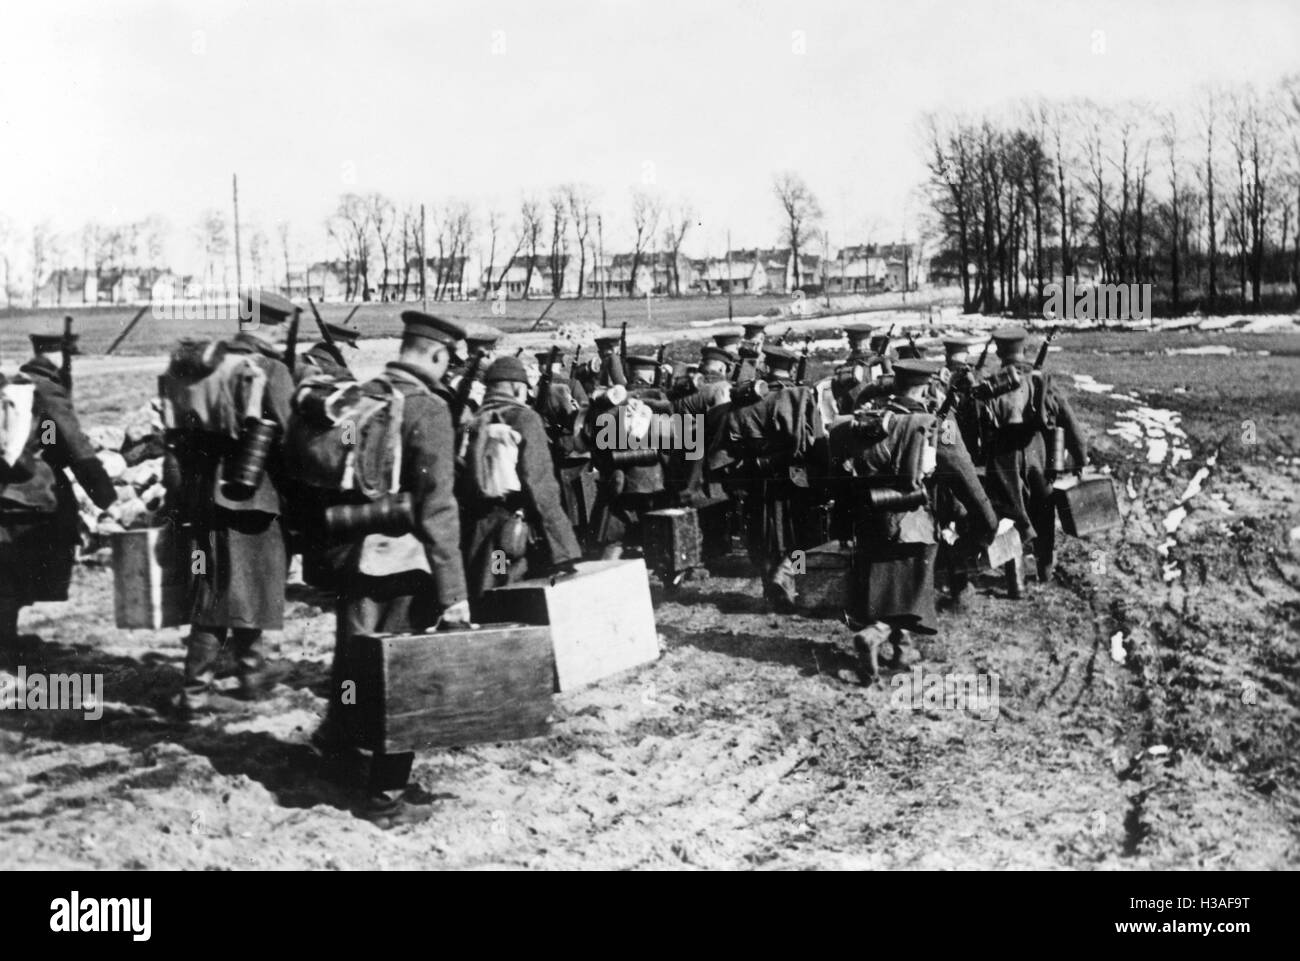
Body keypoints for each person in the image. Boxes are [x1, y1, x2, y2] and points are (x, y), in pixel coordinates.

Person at [315, 309, 471, 825]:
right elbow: (438, 507)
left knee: (353, 664)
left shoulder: (363, 394)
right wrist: (453, 594)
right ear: (439, 355)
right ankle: (385, 800)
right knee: (403, 682)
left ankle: (337, 758)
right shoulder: (428, 408)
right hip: (401, 563)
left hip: (349, 553)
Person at [163, 290, 296, 714]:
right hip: (251, 497)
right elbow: (291, 435)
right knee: (222, 591)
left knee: (235, 586)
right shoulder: (267, 369)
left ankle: (251, 672)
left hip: (204, 493)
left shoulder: (211, 366)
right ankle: (195, 690)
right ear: (276, 326)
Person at [827, 359, 998, 680]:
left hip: (869, 520)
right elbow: (965, 477)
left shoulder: (866, 420)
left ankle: (902, 651)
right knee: (911, 592)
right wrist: (987, 521)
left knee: (893, 587)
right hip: (915, 524)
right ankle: (875, 634)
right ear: (925, 386)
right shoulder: (934, 423)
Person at [0, 333, 117, 647]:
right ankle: (5, 644)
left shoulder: (18, 385)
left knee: (7, 570)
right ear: (61, 356)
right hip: (29, 496)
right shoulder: (47, 389)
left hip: (8, 492)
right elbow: (78, 450)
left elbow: (49, 438)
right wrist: (107, 498)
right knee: (20, 567)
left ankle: (7, 637)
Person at [460, 356, 581, 605]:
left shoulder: (472, 423)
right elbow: (540, 485)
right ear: (517, 387)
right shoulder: (524, 419)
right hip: (512, 533)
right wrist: (564, 549)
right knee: (512, 598)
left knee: (487, 593)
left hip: (477, 533)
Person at [978, 326, 1087, 593]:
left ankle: (1015, 582)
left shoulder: (991, 385)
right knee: (1043, 510)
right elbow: (1069, 421)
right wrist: (1080, 458)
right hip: (1038, 455)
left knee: (1010, 517)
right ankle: (1045, 569)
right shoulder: (1041, 380)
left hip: (1003, 460)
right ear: (1024, 349)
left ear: (999, 353)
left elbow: (978, 427)